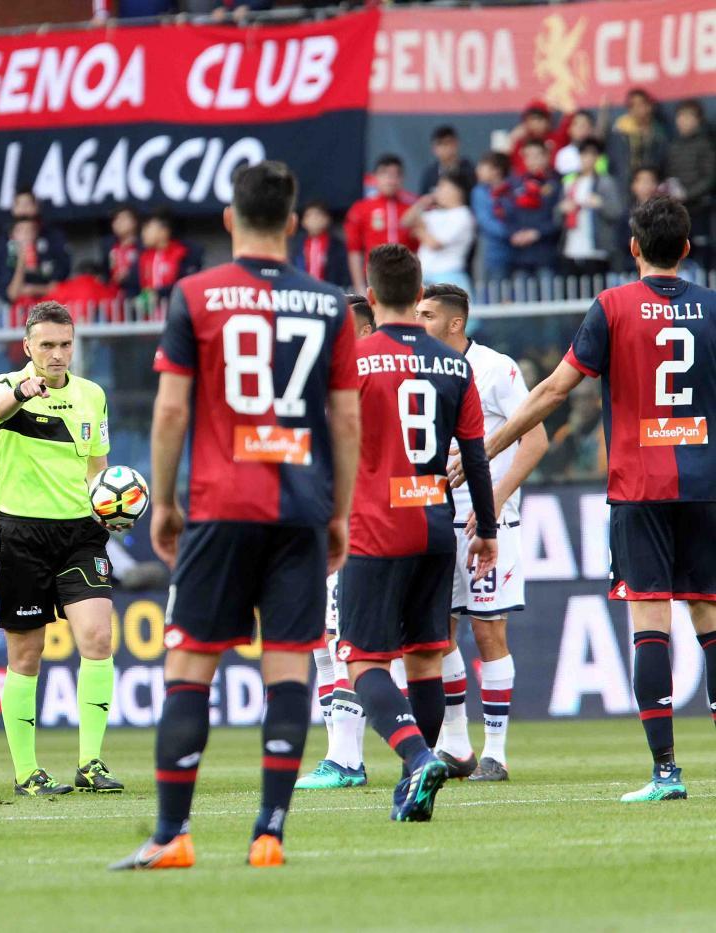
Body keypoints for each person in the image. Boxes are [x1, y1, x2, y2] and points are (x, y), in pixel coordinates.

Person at [111, 161, 361, 870]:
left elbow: (170, 410)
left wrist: (165, 502)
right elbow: (346, 419)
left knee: (190, 664)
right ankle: (269, 834)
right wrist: (338, 512)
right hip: (301, 507)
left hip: (220, 506)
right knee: (289, 667)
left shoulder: (195, 294)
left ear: (229, 219)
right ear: (292, 222)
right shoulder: (330, 304)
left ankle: (173, 835)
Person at [477, 197, 716, 803]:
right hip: (706, 487)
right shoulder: (713, 308)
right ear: (687, 248)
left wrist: (489, 446)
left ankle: (666, 773)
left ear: (633, 248)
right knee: (710, 618)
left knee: (650, 620)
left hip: (640, 489)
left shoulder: (612, 306)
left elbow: (555, 391)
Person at [337, 244, 497, 823]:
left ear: (371, 296)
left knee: (363, 663)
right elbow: (474, 455)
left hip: (375, 529)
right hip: (435, 524)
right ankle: (415, 788)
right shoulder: (456, 364)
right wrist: (488, 529)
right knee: (426, 659)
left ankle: (417, 758)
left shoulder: (354, 360)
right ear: (420, 293)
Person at [0, 301, 122, 797]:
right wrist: (25, 390)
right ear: (28, 346)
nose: (57, 354)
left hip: (81, 534)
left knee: (98, 639)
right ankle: (27, 772)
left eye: (65, 344)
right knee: (27, 654)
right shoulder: (5, 385)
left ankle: (91, 763)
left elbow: (97, 468)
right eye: (46, 345)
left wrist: (112, 506)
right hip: (23, 535)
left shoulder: (92, 395)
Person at [416, 284, 548, 782]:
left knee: (488, 629)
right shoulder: (417, 366)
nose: (418, 321)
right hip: (433, 518)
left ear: (455, 323)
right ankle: (456, 745)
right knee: (437, 634)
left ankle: (496, 751)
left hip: (487, 521)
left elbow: (535, 439)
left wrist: (494, 500)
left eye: (427, 314)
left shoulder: (496, 368)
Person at [298, 292, 377, 791]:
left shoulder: (367, 386)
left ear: (365, 332)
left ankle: (348, 759)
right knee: (323, 644)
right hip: (320, 526)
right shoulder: (328, 386)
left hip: (356, 527)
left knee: (342, 641)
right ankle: (338, 754)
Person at [345, 154, 418, 294]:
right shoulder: (361, 209)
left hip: (407, 279)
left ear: (402, 179)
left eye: (396, 175)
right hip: (375, 279)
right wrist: (359, 287)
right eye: (386, 174)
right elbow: (354, 251)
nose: (391, 180)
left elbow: (419, 249)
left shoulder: (411, 209)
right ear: (375, 177)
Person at [0, 189, 72, 308]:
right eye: (19, 204)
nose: (24, 209)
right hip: (21, 308)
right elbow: (11, 292)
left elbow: (58, 282)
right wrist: (21, 260)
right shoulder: (4, 242)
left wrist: (33, 289)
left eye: (27, 204)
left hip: (51, 304)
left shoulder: (52, 236)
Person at [558, 138, 624, 279]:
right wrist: (562, 209)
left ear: (597, 158)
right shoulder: (570, 182)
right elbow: (557, 215)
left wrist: (600, 204)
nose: (587, 159)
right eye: (584, 154)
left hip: (597, 249)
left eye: (592, 155)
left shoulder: (605, 182)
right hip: (571, 248)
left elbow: (617, 212)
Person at [505, 140, 563, 279]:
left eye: (537, 156)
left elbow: (560, 219)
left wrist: (538, 233)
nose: (532, 160)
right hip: (520, 255)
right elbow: (509, 214)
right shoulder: (515, 185)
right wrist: (515, 233)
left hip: (547, 254)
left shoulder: (556, 184)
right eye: (528, 156)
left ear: (546, 157)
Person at [409, 172, 476, 291]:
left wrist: (419, 230)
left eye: (442, 187)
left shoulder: (463, 215)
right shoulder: (435, 213)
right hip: (425, 277)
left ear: (457, 190)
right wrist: (421, 203)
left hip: (449, 277)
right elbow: (406, 221)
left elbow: (434, 243)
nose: (437, 192)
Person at [666, 100, 714, 267]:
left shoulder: (706, 144)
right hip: (677, 210)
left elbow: (710, 178)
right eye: (680, 116)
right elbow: (669, 173)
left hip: (701, 208)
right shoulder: (672, 145)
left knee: (702, 252)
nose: (684, 121)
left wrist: (688, 194)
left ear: (698, 120)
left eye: (689, 117)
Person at [608, 88, 668, 191]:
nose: (636, 109)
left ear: (649, 107)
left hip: (649, 188)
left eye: (640, 104)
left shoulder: (658, 134)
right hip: (624, 187)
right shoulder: (619, 132)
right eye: (632, 106)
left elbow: (661, 163)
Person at [473, 152, 515, 286]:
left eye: (482, 167)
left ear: (497, 170)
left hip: (516, 252)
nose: (477, 170)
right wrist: (511, 233)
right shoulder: (479, 192)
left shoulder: (514, 189)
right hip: (490, 252)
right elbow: (485, 221)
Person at [290, 200, 351, 288]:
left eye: (318, 215)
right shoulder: (296, 245)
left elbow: (344, 274)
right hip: (302, 290)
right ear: (303, 222)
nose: (314, 219)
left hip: (330, 290)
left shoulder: (337, 246)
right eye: (309, 216)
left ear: (327, 219)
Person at [137, 209, 194, 304]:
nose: (143, 234)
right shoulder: (144, 256)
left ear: (164, 231)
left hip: (175, 307)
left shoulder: (182, 253)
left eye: (148, 228)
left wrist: (159, 293)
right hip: (148, 311)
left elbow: (185, 284)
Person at [612, 166, 661, 275]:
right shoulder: (626, 215)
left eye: (650, 181)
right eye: (642, 181)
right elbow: (620, 242)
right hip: (632, 268)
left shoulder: (664, 213)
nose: (646, 185)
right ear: (634, 186)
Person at [45, 259, 122, 322]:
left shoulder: (65, 287)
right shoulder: (97, 287)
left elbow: (45, 305)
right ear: (97, 276)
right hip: (90, 329)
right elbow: (114, 309)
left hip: (67, 329)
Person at [418, 125, 476, 197]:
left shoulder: (469, 171)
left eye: (447, 143)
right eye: (440, 144)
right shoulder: (429, 174)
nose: (444, 148)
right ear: (433, 148)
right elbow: (423, 198)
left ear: (456, 144)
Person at [100, 205, 142, 299]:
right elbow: (105, 272)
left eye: (123, 219)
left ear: (134, 222)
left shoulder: (143, 246)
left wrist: (129, 275)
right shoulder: (109, 246)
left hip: (138, 295)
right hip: (114, 297)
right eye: (115, 220)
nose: (118, 223)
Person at [554, 110, 607, 177]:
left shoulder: (599, 155)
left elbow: (601, 176)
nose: (580, 128)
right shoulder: (563, 154)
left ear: (591, 129)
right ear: (569, 129)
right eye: (576, 124)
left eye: (583, 125)